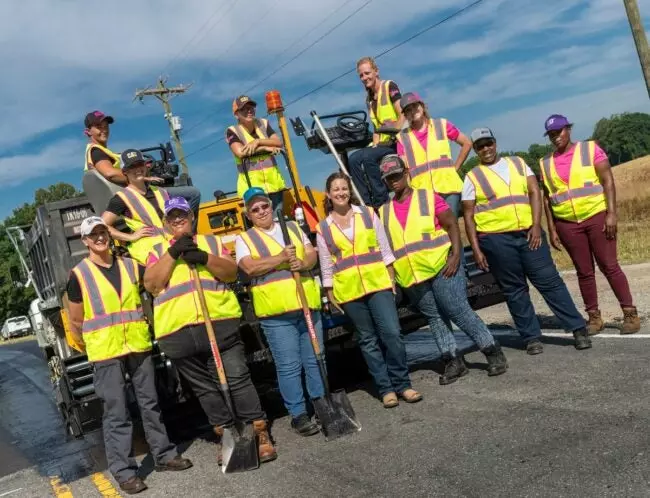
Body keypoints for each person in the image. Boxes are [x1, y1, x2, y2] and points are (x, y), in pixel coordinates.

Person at [143, 197, 277, 465]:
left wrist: (203, 258)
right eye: (172, 217)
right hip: (178, 334)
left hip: (220, 324)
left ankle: (259, 431)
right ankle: (226, 435)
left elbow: (230, 273)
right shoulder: (156, 251)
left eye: (182, 215)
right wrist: (173, 253)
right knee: (205, 391)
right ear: (165, 222)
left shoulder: (212, 242)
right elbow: (152, 284)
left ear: (192, 217)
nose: (178, 219)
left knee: (238, 377)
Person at [67, 216, 192, 495]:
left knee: (151, 403)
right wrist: (92, 345)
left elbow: (153, 281)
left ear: (108, 235)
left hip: (137, 345)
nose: (99, 238)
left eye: (102, 232)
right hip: (106, 351)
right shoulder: (79, 274)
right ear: (85, 241)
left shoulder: (129, 265)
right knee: (117, 412)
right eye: (93, 234)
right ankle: (124, 472)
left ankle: (164, 455)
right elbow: (75, 321)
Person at [378, 155, 508, 385]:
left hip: (442, 265)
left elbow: (451, 225)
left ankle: (492, 350)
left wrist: (456, 255)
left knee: (457, 309)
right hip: (412, 276)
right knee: (435, 317)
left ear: (406, 172)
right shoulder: (384, 212)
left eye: (396, 175)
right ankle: (452, 360)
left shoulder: (428, 197)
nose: (393, 181)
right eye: (388, 178)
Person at [461, 128, 592, 354]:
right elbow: (469, 216)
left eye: (488, 143)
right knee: (514, 289)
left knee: (549, 281)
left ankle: (578, 328)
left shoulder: (518, 163)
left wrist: (535, 224)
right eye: (480, 146)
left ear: (495, 142)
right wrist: (476, 248)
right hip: (496, 241)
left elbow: (534, 191)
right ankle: (531, 337)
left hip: (529, 234)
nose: (486, 149)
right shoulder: (472, 176)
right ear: (475, 150)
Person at [316, 172, 422, 408]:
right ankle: (386, 389)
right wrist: (329, 291)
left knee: (393, 333)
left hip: (378, 283)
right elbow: (326, 263)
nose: (341, 193)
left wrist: (391, 276)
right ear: (328, 194)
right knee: (367, 339)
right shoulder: (323, 228)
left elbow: (384, 248)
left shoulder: (367, 214)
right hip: (350, 291)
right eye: (336, 189)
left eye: (344, 188)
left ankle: (403, 384)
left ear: (349, 191)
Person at [540, 114, 640, 335]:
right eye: (552, 135)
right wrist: (552, 227)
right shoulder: (545, 163)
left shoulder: (590, 149)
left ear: (569, 129)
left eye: (559, 132)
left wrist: (611, 213)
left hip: (596, 216)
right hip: (567, 224)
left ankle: (630, 314)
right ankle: (594, 317)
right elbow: (547, 197)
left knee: (609, 266)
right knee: (584, 272)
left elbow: (608, 181)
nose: (556, 137)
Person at [235, 187, 323, 436]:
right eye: (255, 209)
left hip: (306, 303)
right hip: (276, 313)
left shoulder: (292, 228)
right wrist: (281, 258)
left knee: (316, 358)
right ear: (248, 214)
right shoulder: (245, 239)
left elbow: (310, 254)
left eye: (264, 206)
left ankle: (321, 403)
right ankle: (298, 414)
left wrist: (302, 263)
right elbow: (249, 268)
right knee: (289, 365)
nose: (262, 211)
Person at [83, 110, 202, 218]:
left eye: (106, 126)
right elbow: (110, 173)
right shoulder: (96, 151)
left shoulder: (100, 151)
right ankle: (186, 234)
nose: (104, 130)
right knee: (193, 194)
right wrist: (144, 178)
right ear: (88, 132)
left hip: (131, 193)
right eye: (99, 127)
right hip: (135, 195)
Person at [396, 92, 472, 217]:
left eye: (415, 106)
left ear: (422, 106)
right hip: (422, 194)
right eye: (408, 110)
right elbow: (404, 170)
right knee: (432, 233)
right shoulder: (402, 138)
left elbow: (467, 143)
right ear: (405, 115)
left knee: (451, 227)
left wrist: (455, 168)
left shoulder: (441, 125)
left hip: (448, 189)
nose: (413, 111)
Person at [347, 57, 404, 208]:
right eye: (361, 75)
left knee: (367, 157)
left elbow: (402, 113)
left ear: (376, 71)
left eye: (367, 73)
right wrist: (375, 144)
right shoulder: (369, 99)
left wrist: (395, 131)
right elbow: (376, 127)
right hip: (382, 142)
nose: (364, 78)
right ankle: (365, 203)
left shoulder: (389, 86)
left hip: (396, 141)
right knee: (353, 159)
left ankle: (381, 201)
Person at [101, 149, 171, 265]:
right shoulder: (121, 198)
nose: (138, 169)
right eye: (132, 167)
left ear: (145, 166)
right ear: (125, 172)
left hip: (171, 245)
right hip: (148, 254)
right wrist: (130, 237)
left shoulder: (162, 192)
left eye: (140, 164)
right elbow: (102, 226)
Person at [226, 96, 285, 212]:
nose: (249, 111)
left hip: (275, 186)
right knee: (261, 225)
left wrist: (258, 142)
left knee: (279, 221)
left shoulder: (264, 123)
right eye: (244, 109)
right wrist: (265, 148)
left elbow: (278, 142)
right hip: (251, 189)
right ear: (236, 114)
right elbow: (240, 152)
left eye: (251, 107)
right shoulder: (232, 131)